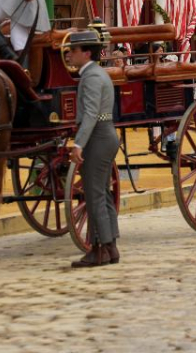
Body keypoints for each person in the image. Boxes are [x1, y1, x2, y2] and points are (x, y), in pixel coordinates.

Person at [64, 30, 119, 267]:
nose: (69, 55)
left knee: (94, 194)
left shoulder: (92, 77)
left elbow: (91, 114)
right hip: (103, 135)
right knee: (102, 193)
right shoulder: (96, 74)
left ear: (86, 53)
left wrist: (79, 144)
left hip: (98, 137)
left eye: (73, 51)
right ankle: (110, 247)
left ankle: (99, 249)